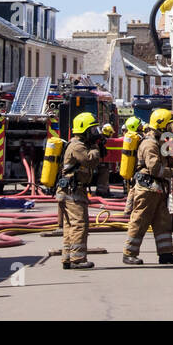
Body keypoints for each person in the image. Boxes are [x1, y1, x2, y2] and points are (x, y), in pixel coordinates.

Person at [122, 109, 173, 265]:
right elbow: (155, 169)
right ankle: (129, 253)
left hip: (158, 190)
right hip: (147, 189)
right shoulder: (149, 143)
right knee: (140, 221)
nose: (172, 129)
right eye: (170, 126)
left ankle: (166, 254)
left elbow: (169, 161)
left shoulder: (164, 140)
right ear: (161, 125)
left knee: (163, 222)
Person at [56, 111, 103, 270]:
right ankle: (78, 259)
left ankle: (68, 258)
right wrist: (96, 147)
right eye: (92, 130)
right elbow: (90, 161)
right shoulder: (77, 146)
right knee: (79, 224)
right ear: (84, 130)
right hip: (73, 192)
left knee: (70, 225)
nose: (94, 133)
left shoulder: (78, 144)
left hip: (69, 190)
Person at [121, 116, 143, 215]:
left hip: (132, 168)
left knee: (132, 189)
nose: (141, 126)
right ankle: (129, 210)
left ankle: (129, 209)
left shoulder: (131, 137)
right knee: (134, 189)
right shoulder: (139, 138)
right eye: (140, 125)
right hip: (137, 169)